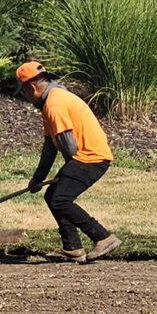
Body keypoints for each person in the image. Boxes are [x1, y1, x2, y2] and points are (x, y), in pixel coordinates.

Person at [15, 61, 120, 264]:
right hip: (85, 156)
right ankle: (72, 247)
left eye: (24, 93)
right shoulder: (51, 101)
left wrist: (67, 173)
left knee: (60, 199)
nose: (26, 98)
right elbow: (49, 148)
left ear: (31, 88)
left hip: (91, 157)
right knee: (53, 195)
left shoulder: (55, 105)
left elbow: (68, 147)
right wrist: (38, 179)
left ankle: (103, 237)